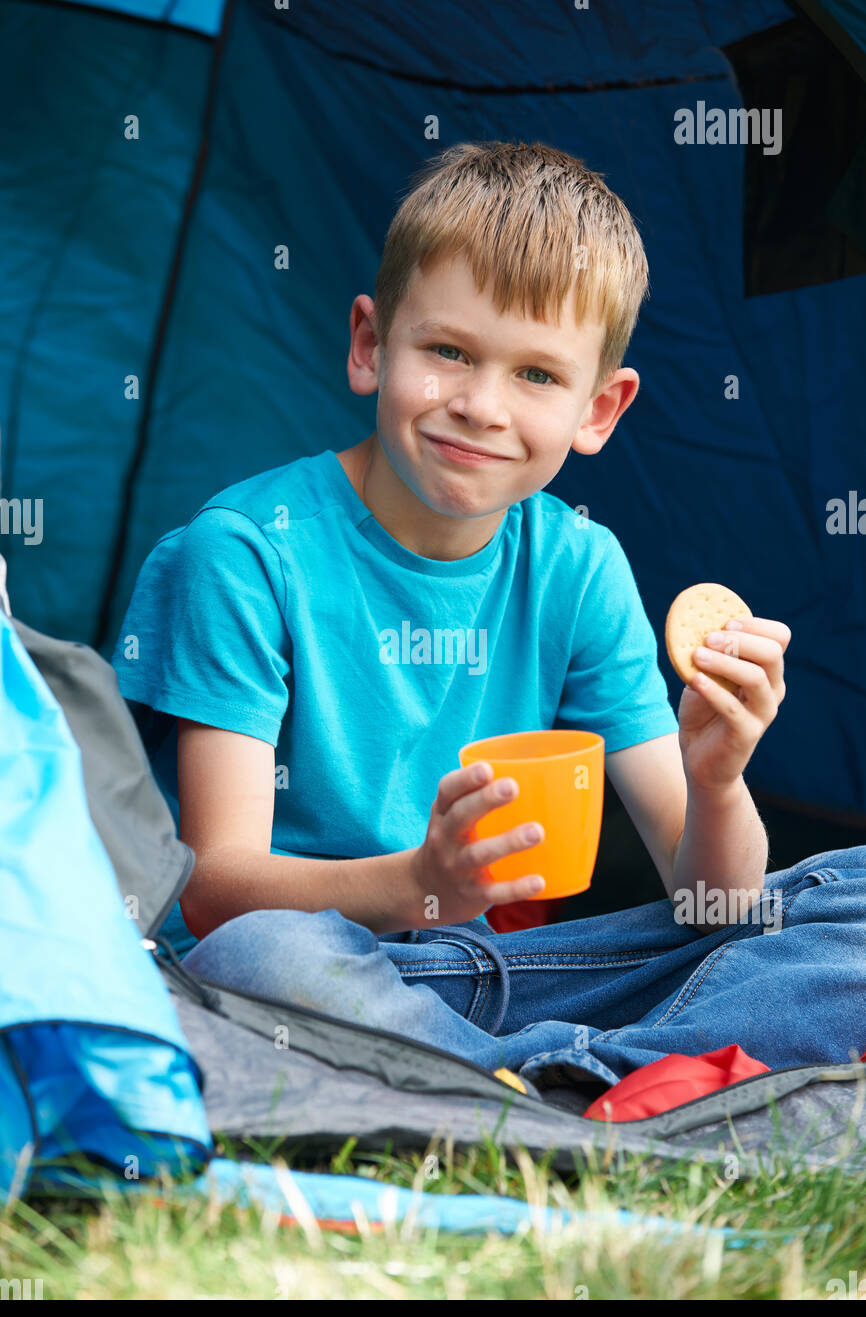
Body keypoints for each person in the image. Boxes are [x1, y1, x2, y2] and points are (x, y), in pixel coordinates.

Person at [111, 141, 866, 1097]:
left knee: (850, 907)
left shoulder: (578, 566)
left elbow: (712, 903)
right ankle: (591, 1086)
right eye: (448, 352)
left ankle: (524, 1084)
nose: (480, 406)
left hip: (514, 983)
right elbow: (217, 893)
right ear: (370, 345)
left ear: (601, 408)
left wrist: (717, 780)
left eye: (538, 377)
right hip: (322, 974)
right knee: (259, 961)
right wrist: (421, 881)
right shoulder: (247, 555)